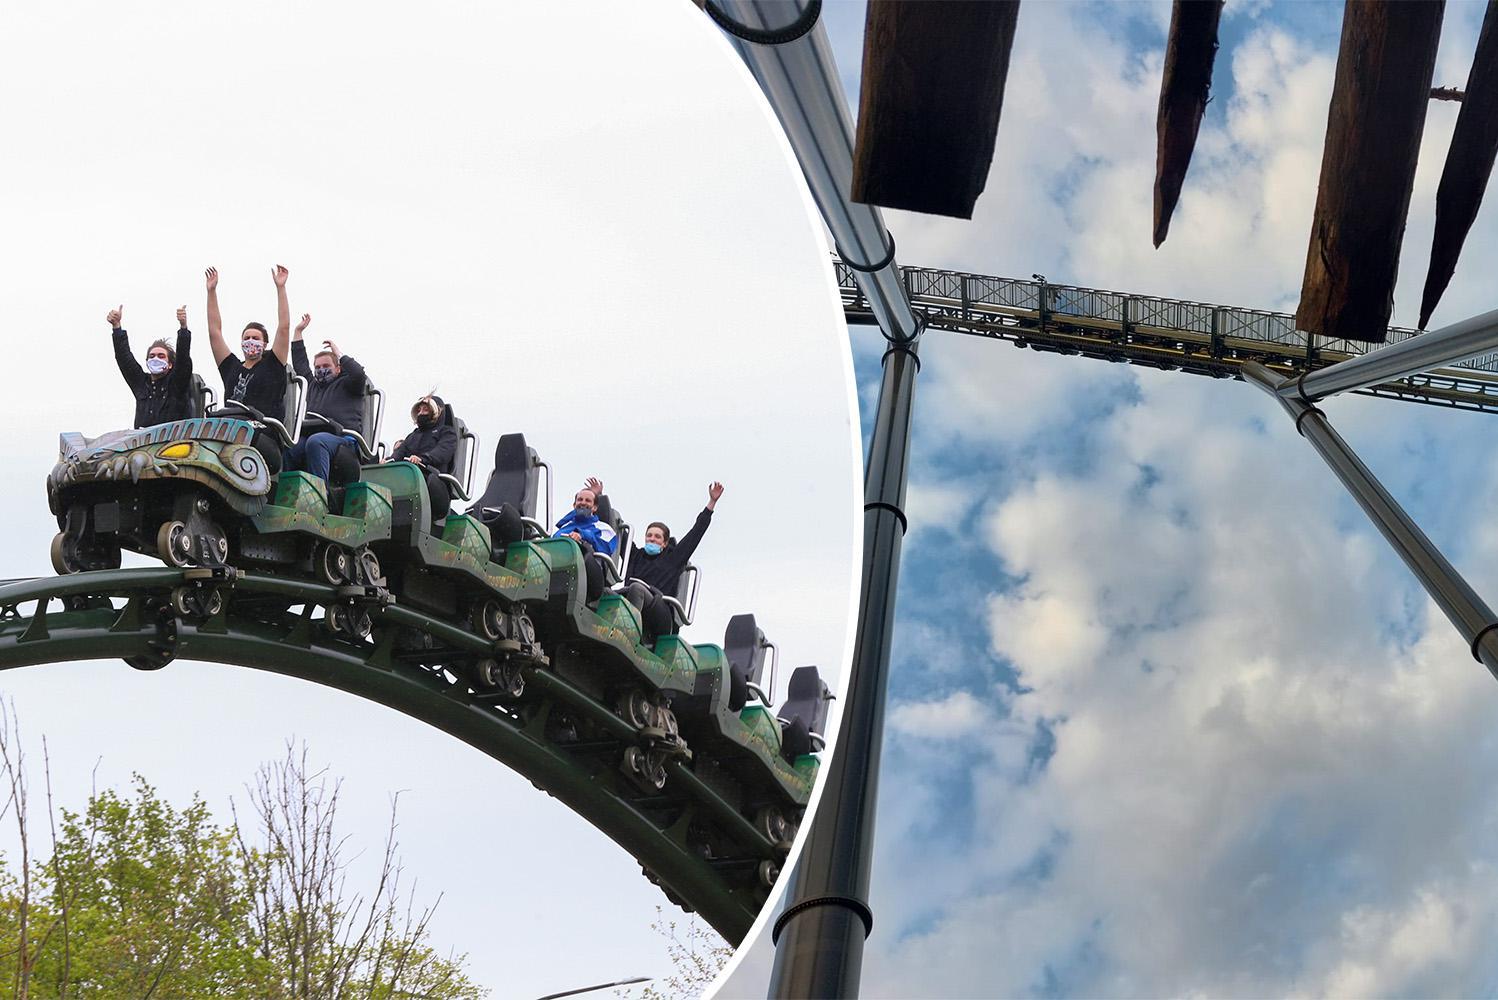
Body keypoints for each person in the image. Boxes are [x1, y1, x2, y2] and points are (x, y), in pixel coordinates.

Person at [206, 265, 293, 470]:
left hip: (265, 438)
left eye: (255, 338)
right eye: (246, 338)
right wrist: (211, 292)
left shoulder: (273, 365)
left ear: (264, 344)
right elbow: (214, 332)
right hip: (229, 428)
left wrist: (281, 288)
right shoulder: (231, 368)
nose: (250, 341)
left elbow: (284, 327)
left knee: (236, 428)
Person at [616, 481, 724, 642]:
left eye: (657, 537)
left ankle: (628, 636)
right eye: (649, 535)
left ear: (665, 543)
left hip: (660, 611)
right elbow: (618, 529)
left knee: (637, 589)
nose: (652, 539)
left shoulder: (673, 559)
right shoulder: (635, 556)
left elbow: (696, 533)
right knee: (609, 593)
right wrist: (598, 498)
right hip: (634, 600)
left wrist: (711, 503)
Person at [283, 313, 369, 482]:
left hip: (344, 440)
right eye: (318, 367)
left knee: (316, 442)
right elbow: (300, 363)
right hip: (314, 434)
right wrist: (298, 332)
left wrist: (338, 353)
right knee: (291, 447)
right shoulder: (312, 385)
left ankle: (319, 493)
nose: (321, 370)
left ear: (338, 368)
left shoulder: (349, 384)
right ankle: (290, 491)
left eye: (326, 366)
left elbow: (358, 374)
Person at [109, 303, 195, 428]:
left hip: (175, 443)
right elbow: (124, 359)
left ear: (170, 364)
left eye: (161, 356)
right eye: (152, 356)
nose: (155, 358)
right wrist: (117, 327)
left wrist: (183, 329)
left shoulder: (176, 384)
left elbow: (183, 360)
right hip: (143, 444)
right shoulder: (142, 384)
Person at [390, 394, 458, 521]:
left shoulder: (447, 433)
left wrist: (423, 459)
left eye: (425, 410)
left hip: (434, 482)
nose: (421, 413)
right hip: (410, 479)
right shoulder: (413, 436)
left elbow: (442, 452)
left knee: (428, 480)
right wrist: (389, 460)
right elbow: (400, 452)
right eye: (419, 410)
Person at [553, 483, 617, 603]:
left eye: (588, 501)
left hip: (590, 575)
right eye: (580, 500)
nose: (583, 503)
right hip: (559, 569)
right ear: (574, 505)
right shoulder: (565, 527)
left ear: (594, 507)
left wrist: (582, 536)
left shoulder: (604, 529)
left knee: (583, 550)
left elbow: (605, 548)